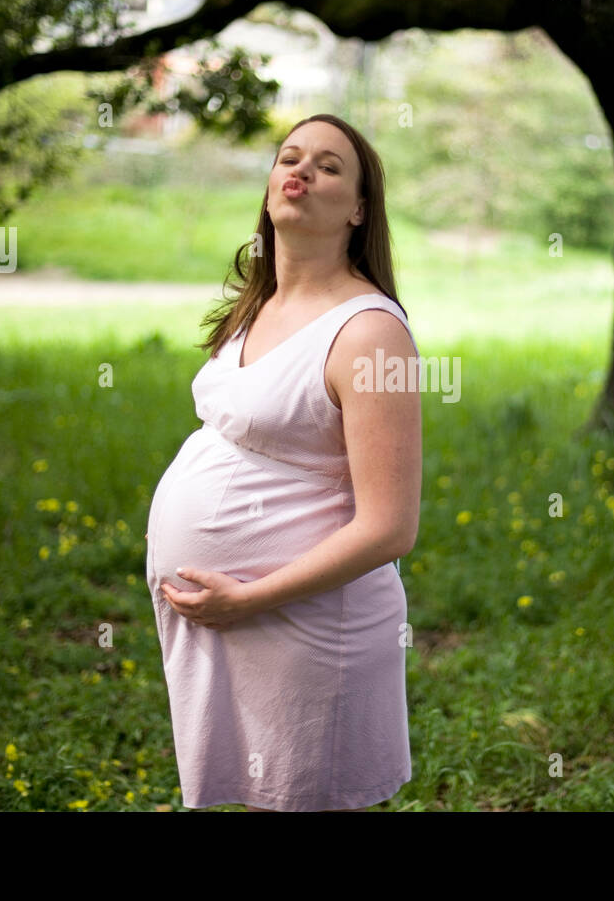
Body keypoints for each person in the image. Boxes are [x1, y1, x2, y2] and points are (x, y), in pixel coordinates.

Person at [144, 113, 421, 812]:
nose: (300, 170)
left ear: (359, 209)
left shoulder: (370, 334)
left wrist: (248, 599)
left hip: (304, 624)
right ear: (269, 187)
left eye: (329, 166)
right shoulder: (258, 303)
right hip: (238, 617)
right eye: (289, 157)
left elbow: (391, 528)